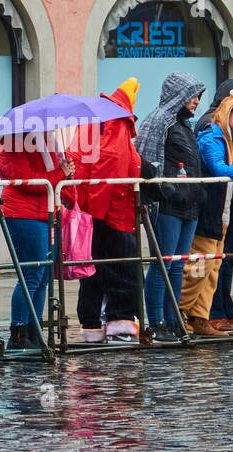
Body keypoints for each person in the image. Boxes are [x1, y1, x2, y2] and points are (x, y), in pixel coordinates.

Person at [68, 78, 144, 343]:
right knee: (120, 268)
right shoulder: (117, 122)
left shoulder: (98, 120)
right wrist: (98, 212)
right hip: (113, 212)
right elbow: (110, 166)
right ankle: (120, 324)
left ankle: (91, 326)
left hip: (96, 208)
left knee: (93, 270)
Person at [136, 72, 205, 342]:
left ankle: (174, 317)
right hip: (167, 205)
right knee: (161, 263)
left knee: (177, 265)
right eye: (192, 95)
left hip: (190, 205)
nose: (197, 101)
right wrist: (167, 191)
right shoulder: (159, 121)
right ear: (179, 95)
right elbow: (148, 161)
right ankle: (157, 321)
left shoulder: (185, 125)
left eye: (198, 96)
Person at [0, 130, 73, 349]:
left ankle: (34, 330)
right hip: (23, 214)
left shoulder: (47, 141)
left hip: (46, 213)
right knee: (31, 275)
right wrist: (60, 173)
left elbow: (51, 177)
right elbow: (27, 181)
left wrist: (66, 172)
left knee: (44, 277)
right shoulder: (10, 144)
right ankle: (19, 333)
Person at [186, 91, 233, 336]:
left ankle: (200, 318)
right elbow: (217, 167)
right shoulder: (211, 135)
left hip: (221, 213)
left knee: (212, 268)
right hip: (207, 211)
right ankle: (180, 314)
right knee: (197, 268)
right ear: (226, 111)